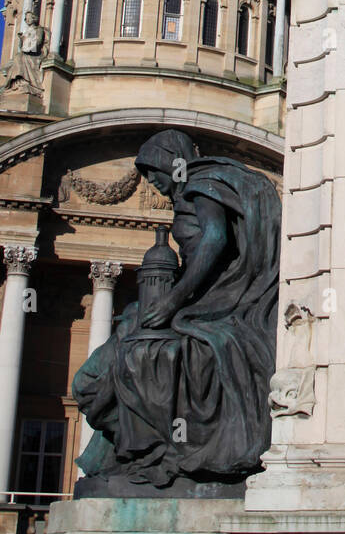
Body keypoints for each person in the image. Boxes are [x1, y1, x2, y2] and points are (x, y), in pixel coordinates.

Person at [73, 129, 281, 490]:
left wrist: (175, 298)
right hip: (199, 298)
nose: (150, 182)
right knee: (117, 349)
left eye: (153, 170)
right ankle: (132, 451)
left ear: (173, 161)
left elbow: (215, 239)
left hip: (219, 303)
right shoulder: (193, 190)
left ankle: (150, 451)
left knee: (136, 355)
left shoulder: (203, 184)